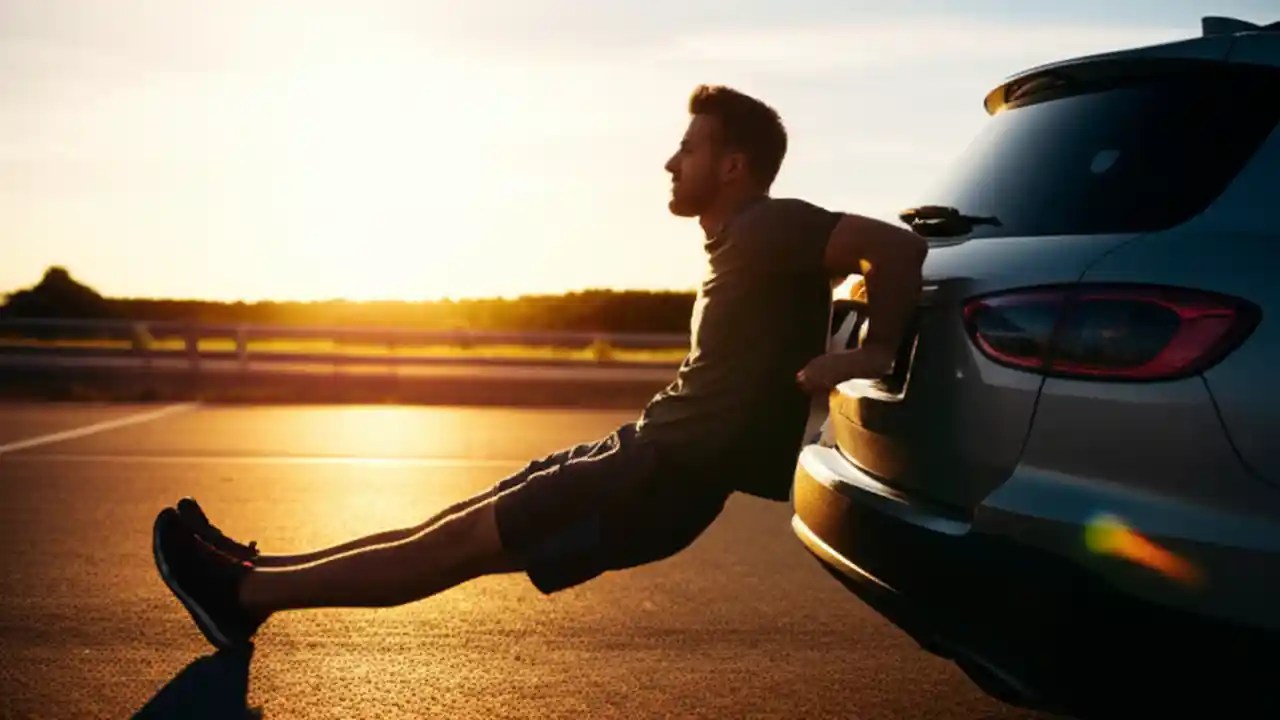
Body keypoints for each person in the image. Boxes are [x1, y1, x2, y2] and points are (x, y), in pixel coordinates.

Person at [151, 84, 929, 650]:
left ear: (731, 166)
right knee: (448, 530)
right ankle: (254, 576)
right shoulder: (743, 242)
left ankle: (241, 594)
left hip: (661, 478)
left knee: (450, 549)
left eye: (688, 148)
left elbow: (897, 248)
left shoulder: (769, 225)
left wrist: (871, 353)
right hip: (644, 453)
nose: (670, 161)